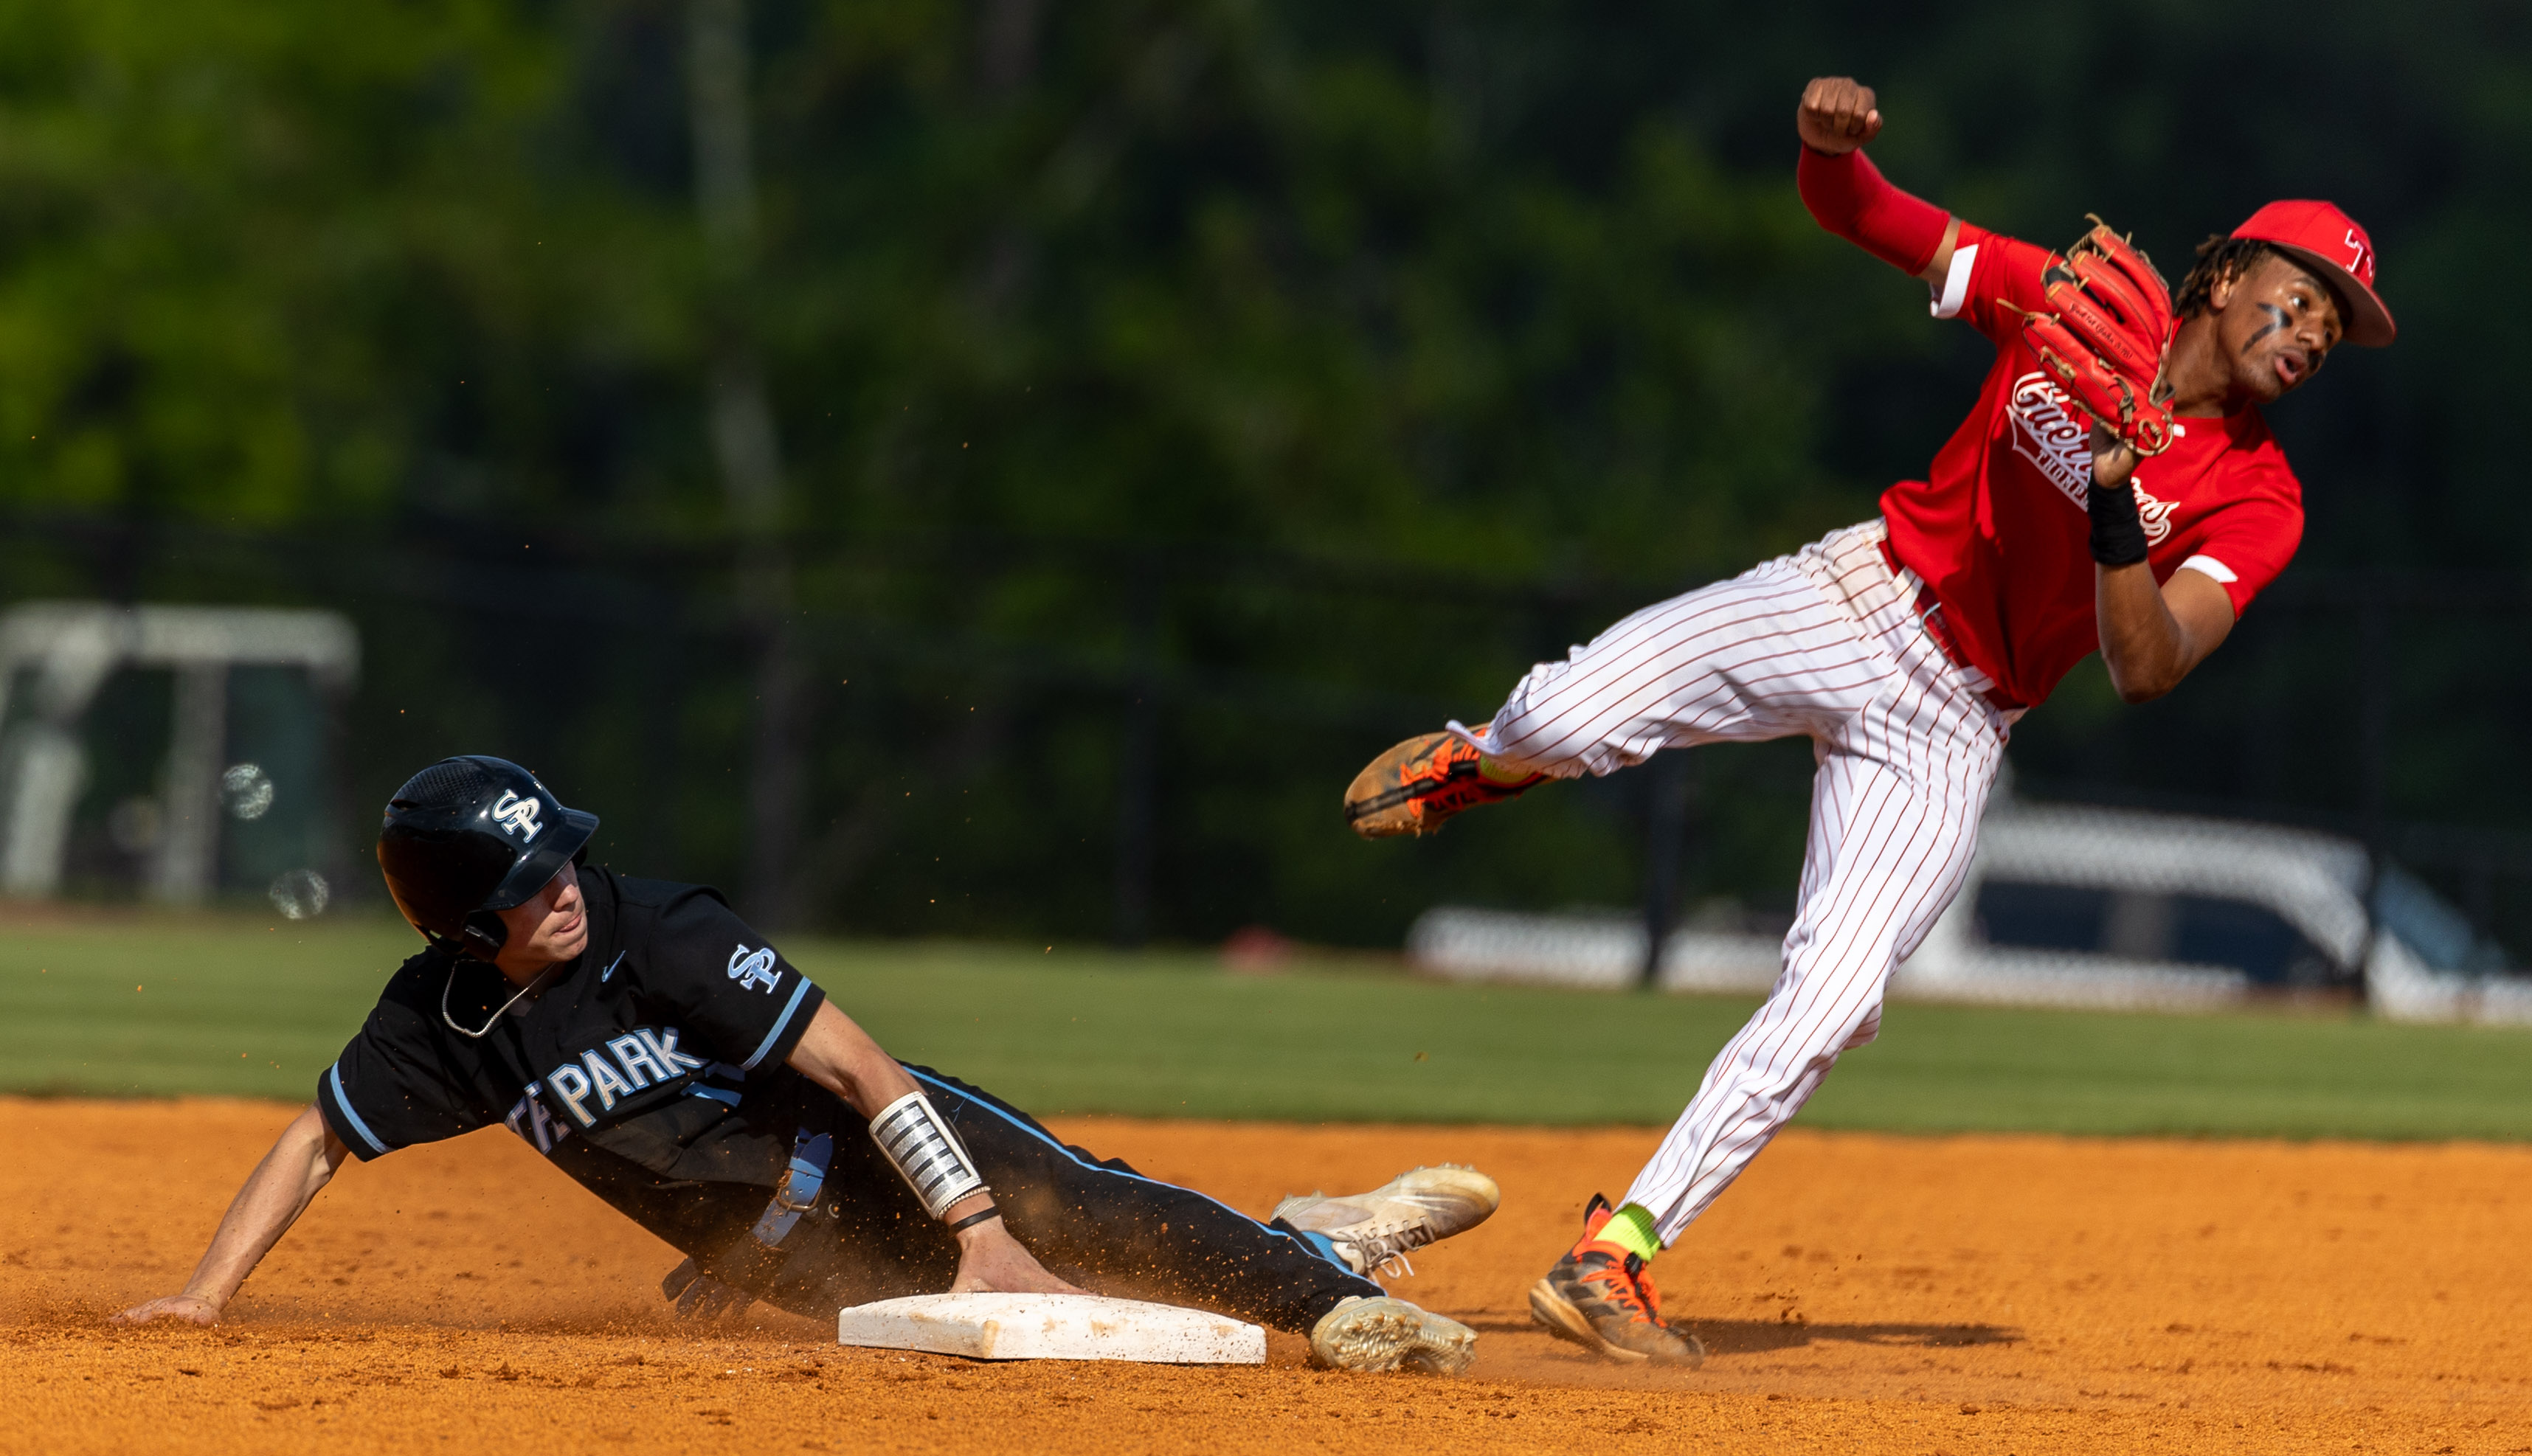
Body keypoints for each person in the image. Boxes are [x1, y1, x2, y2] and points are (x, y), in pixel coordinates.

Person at [1340, 75, 2394, 1367]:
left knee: (1834, 996)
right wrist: (1822, 146)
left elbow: (2149, 667)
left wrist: (2121, 506)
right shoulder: (2064, 305)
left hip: (1958, 722)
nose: (2309, 334)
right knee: (1564, 713)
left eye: (2331, 331)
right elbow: (1861, 212)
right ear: (2225, 274)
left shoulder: (2259, 498)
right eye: (2297, 297)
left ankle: (1618, 1253)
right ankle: (1488, 764)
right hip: (1862, 594)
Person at [115, 755, 1496, 1374]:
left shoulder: (663, 931)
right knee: (1059, 1349)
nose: (568, 890)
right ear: (469, 930)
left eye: (563, 860)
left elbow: (866, 1072)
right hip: (794, 1257)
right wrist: (201, 1299)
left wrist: (979, 1231)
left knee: (1092, 1220)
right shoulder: (444, 1024)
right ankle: (1313, 1235)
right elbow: (317, 1136)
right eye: (533, 886)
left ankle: (1333, 1300)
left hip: (884, 1142)